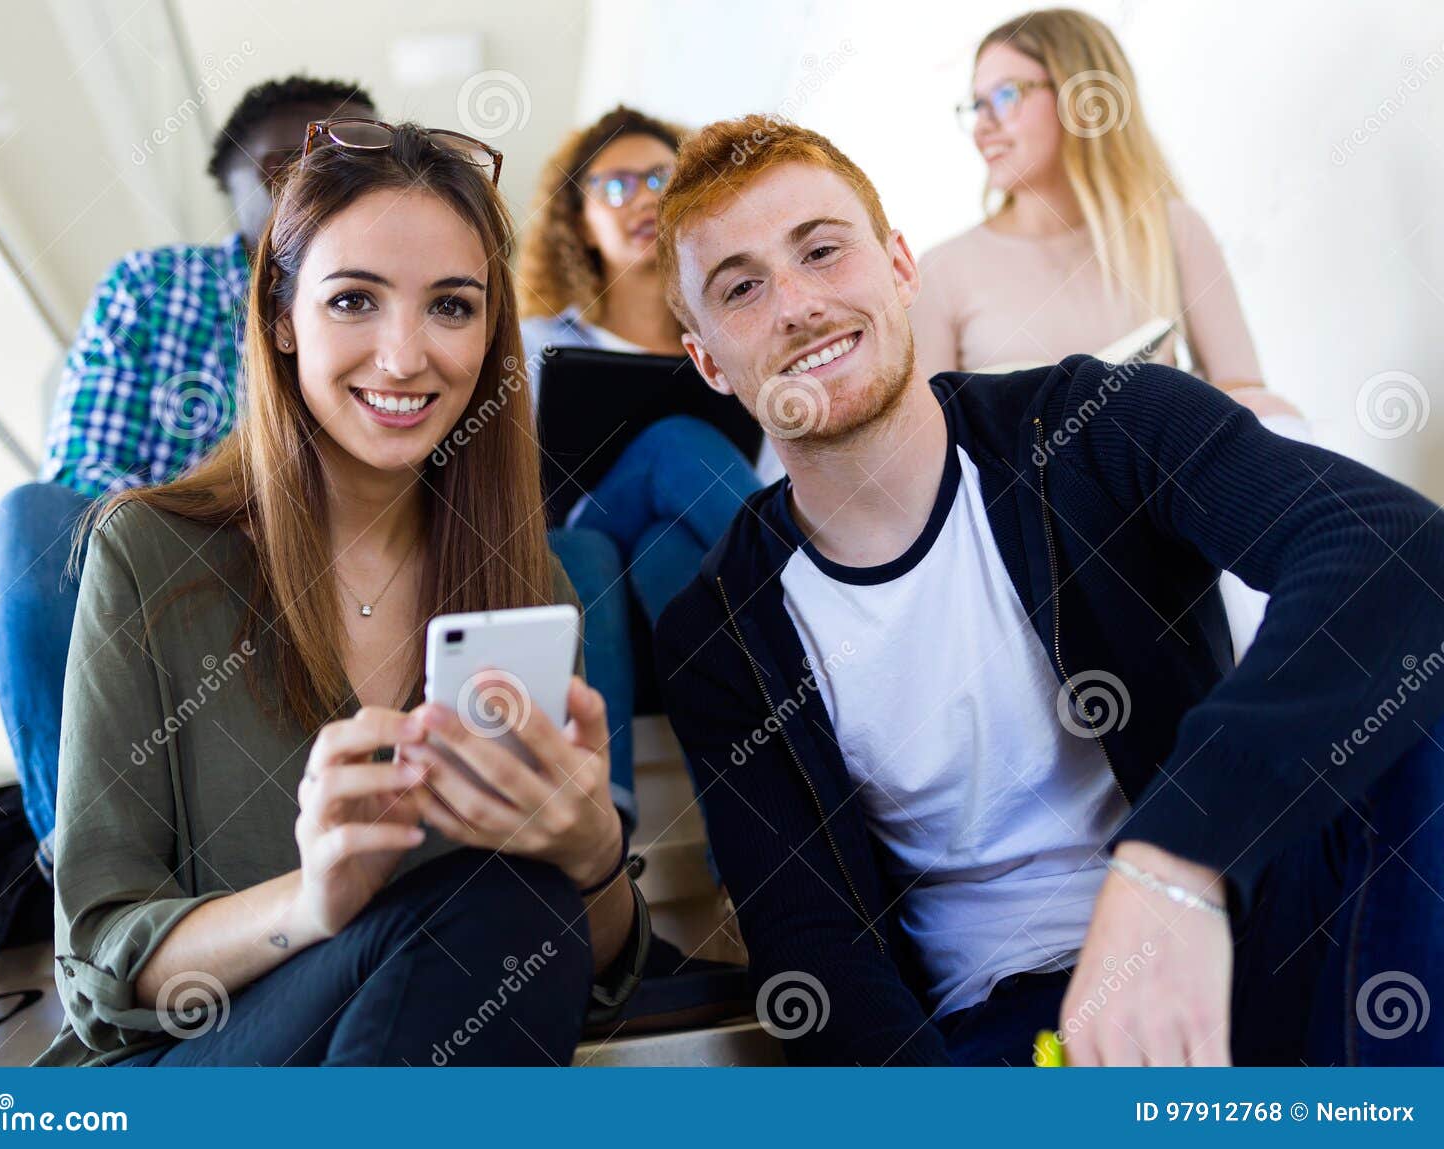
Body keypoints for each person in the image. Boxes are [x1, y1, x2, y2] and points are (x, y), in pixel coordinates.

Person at [651, 114, 1444, 1066]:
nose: (797, 305)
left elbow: (1391, 551)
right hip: (1015, 1038)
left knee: (1409, 683)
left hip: (1237, 932)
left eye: (822, 250)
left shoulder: (1100, 423)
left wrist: (1176, 854)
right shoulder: (719, 629)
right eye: (743, 288)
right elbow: (813, 955)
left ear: (901, 267)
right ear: (706, 359)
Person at [36, 124, 647, 1068]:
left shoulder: (529, 586)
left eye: (451, 307)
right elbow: (101, 954)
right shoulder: (150, 553)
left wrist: (594, 849)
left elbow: (587, 959)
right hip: (200, 1067)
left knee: (518, 907)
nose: (404, 357)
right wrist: (312, 903)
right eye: (355, 299)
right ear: (281, 319)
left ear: (490, 338)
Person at [0, 76, 634, 858]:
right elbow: (87, 476)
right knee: (30, 518)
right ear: (229, 188)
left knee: (582, 554)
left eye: (453, 307)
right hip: (212, 548)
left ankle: (601, 810)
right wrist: (255, 499)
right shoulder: (154, 285)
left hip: (395, 531)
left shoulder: (427, 315)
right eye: (278, 168)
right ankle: (72, 844)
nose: (401, 354)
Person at [911, 8, 1306, 656]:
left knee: (1285, 431)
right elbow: (927, 459)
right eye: (974, 105)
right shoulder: (945, 270)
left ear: (1079, 93)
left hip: (1164, 500)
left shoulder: (1171, 228)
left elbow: (1245, 390)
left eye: (1005, 96)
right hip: (1035, 533)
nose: (983, 125)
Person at [519, 106, 767, 634]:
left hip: (693, 553)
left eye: (663, 179)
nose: (645, 198)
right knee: (673, 445)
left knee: (665, 551)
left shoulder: (733, 339)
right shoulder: (536, 343)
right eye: (615, 187)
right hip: (576, 537)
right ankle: (818, 593)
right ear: (580, 224)